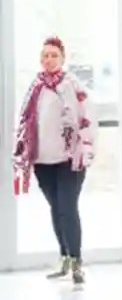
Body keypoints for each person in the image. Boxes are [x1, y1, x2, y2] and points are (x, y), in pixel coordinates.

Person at [12, 36, 95, 286]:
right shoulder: (35, 87)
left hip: (69, 160)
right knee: (56, 208)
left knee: (68, 208)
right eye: (45, 55)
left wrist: (83, 147)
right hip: (43, 160)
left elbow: (86, 117)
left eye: (53, 55)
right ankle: (65, 257)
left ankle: (77, 262)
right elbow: (27, 120)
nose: (49, 59)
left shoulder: (71, 84)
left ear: (62, 58)